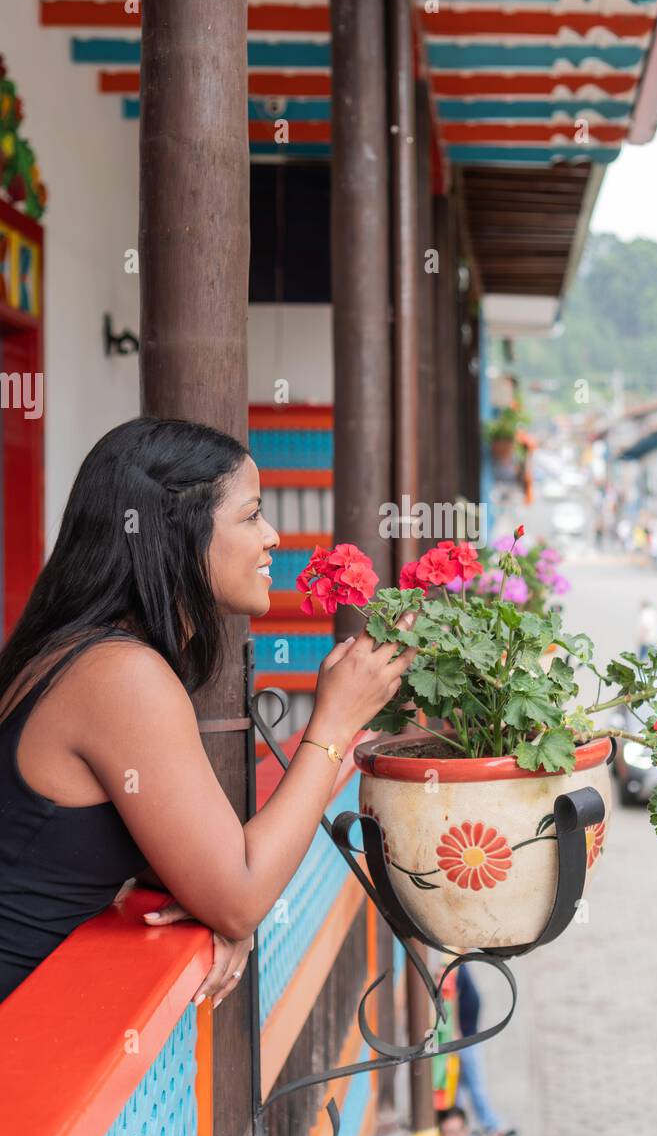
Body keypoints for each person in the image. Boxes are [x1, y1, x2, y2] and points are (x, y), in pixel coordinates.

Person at [0, 416, 417, 1005]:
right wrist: (335, 723)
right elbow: (242, 896)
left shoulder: (87, 655)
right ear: (175, 533)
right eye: (251, 516)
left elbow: (214, 879)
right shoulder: (119, 676)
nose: (273, 536)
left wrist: (210, 896)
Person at [454, 962, 517, 1136]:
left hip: (468, 1036)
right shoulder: (454, 963)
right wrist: (455, 1032)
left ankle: (460, 1128)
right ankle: (491, 1125)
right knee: (475, 1084)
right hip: (465, 1039)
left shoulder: (458, 961)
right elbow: (452, 999)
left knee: (461, 1085)